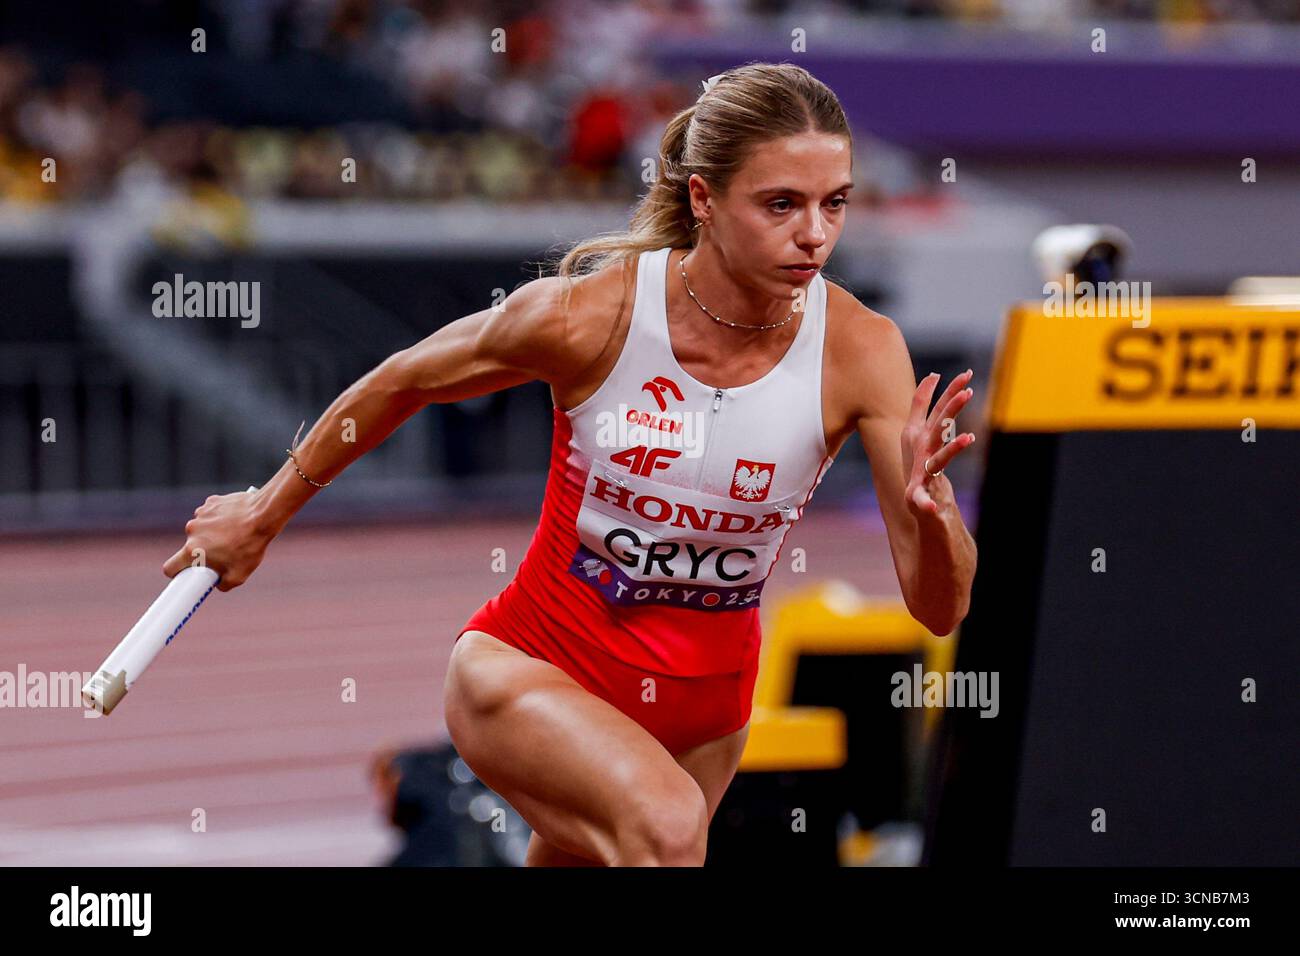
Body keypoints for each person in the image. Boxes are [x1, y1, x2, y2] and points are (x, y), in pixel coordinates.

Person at [163, 62, 978, 867]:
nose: (814, 234)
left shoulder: (861, 351)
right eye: (781, 204)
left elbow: (940, 610)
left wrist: (932, 508)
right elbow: (405, 379)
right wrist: (260, 516)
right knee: (664, 831)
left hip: (706, 714)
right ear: (703, 199)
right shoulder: (593, 316)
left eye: (834, 203)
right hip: (531, 673)